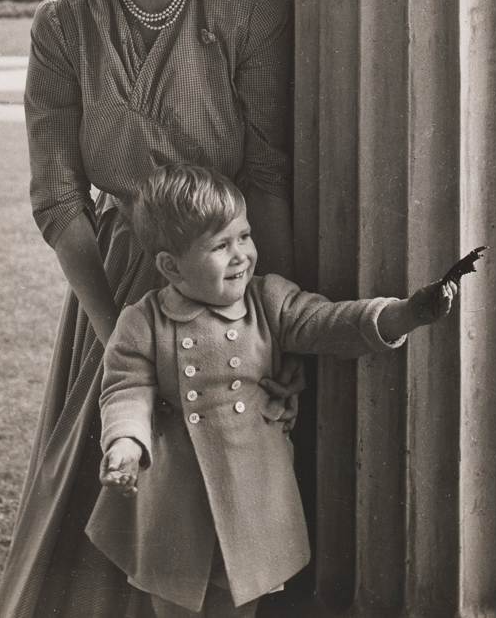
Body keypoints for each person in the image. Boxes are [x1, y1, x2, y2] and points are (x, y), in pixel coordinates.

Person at [0, 0, 300, 618]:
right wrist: (117, 338)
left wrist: (267, 317)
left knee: (226, 524)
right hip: (113, 293)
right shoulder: (63, 26)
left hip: (228, 295)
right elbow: (58, 199)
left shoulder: (252, 10)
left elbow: (267, 178)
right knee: (108, 501)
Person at [87, 165, 455, 618]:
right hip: (176, 503)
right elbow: (126, 389)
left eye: (244, 236)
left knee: (242, 599)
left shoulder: (269, 300)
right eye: (220, 246)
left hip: (252, 498)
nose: (240, 255)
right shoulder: (143, 321)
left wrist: (404, 314)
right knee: (174, 600)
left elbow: (331, 322)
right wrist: (124, 441)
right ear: (170, 266)